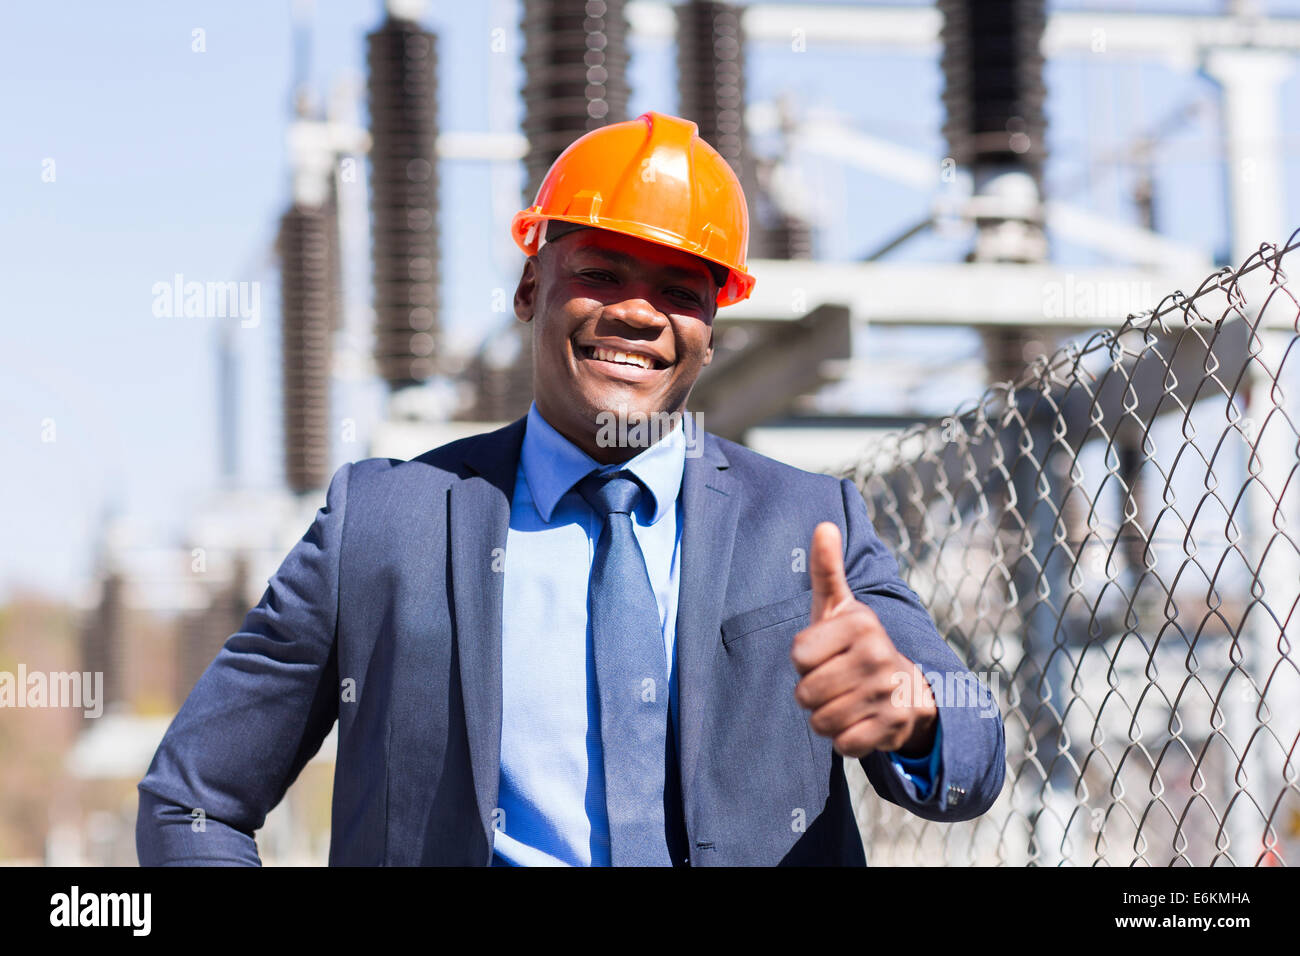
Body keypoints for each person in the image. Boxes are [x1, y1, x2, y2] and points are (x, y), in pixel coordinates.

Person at [136, 111, 1005, 866]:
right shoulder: (380, 525)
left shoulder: (812, 523)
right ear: (529, 288)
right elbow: (193, 800)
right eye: (599, 272)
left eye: (678, 289)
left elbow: (974, 749)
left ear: (710, 331)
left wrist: (915, 710)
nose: (636, 311)